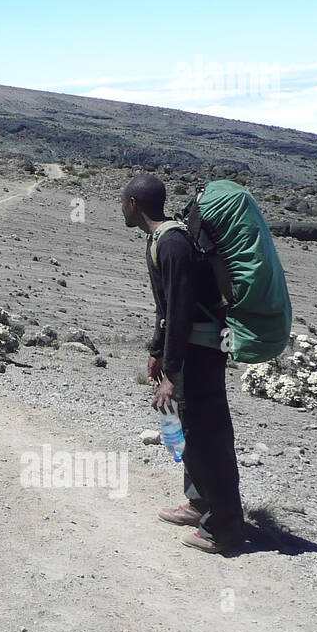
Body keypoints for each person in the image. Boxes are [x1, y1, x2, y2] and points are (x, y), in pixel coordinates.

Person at [122, 174, 245, 555]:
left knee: (207, 436)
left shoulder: (171, 243)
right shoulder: (161, 240)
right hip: (190, 348)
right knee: (190, 429)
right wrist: (157, 350)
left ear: (133, 205)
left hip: (201, 352)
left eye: (121, 202)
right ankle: (199, 503)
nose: (120, 208)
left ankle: (224, 529)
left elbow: (180, 310)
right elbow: (166, 308)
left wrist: (172, 374)